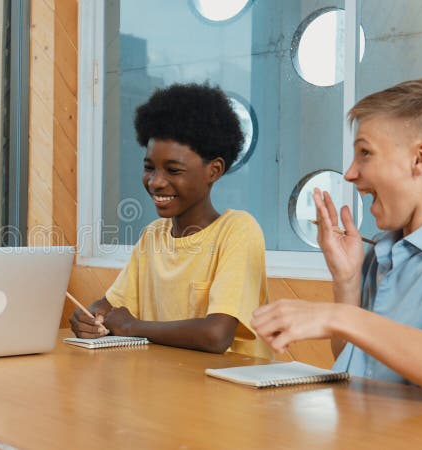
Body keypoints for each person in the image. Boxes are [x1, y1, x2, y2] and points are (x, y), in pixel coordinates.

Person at [251, 78, 422, 403]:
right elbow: (355, 358)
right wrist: (347, 280)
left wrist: (342, 317)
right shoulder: (381, 253)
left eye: (365, 153)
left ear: (420, 158)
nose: (350, 174)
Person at [70, 83, 272, 359]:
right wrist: (90, 318)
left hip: (232, 393)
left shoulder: (238, 230)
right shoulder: (153, 235)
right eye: (149, 167)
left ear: (214, 170)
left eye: (173, 170)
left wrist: (130, 326)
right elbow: (108, 307)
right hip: (169, 386)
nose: (156, 182)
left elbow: (216, 335)